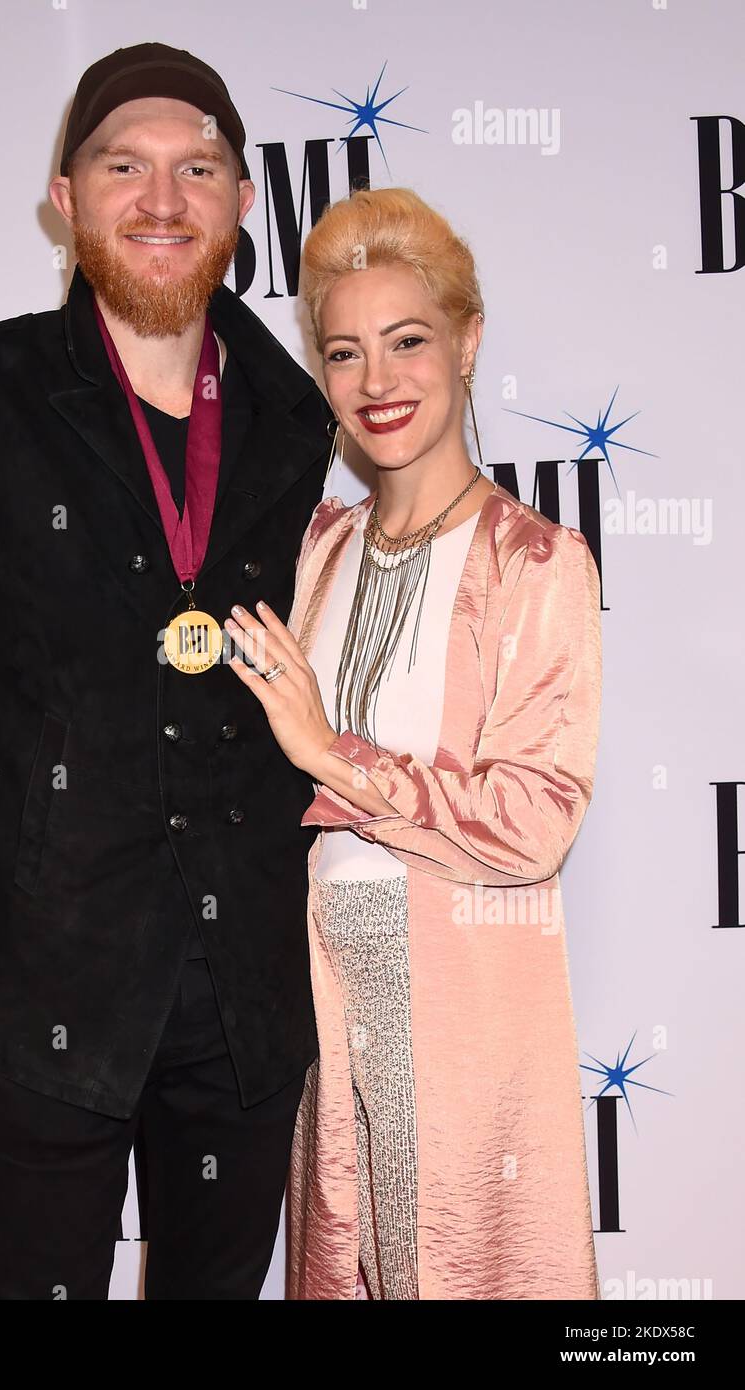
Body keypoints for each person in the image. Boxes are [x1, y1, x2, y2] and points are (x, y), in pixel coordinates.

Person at [0, 42, 334, 1299]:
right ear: (66, 198)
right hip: (37, 1000)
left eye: (197, 169)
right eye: (124, 166)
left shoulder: (299, 418)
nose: (161, 200)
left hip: (245, 1004)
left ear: (241, 201)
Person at [223, 186, 602, 1299]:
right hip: (325, 1009)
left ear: (468, 341)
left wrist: (333, 754)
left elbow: (536, 820)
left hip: (467, 1009)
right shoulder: (316, 552)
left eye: (406, 342)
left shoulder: (536, 563)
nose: (376, 382)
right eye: (344, 353)